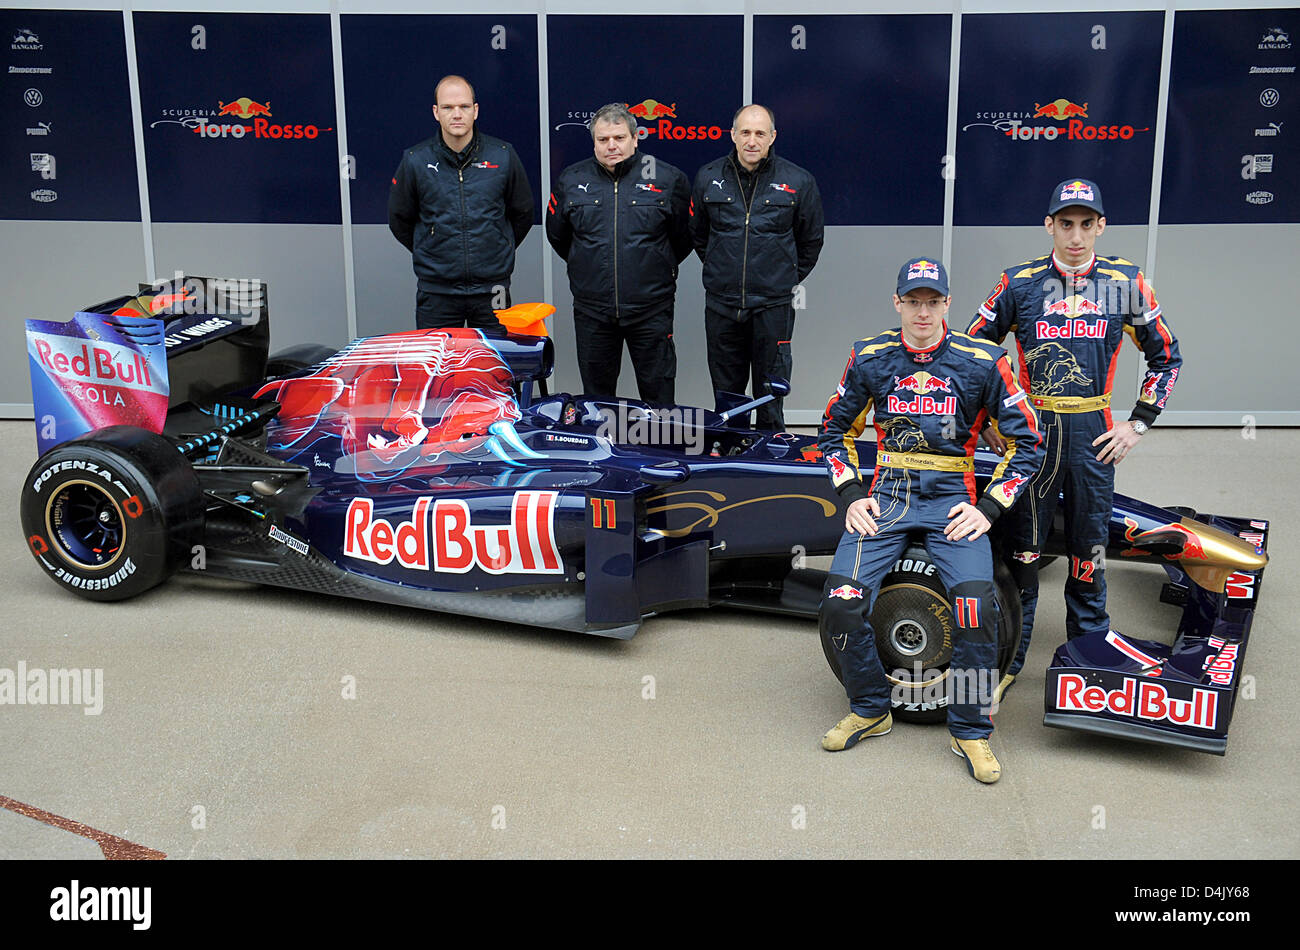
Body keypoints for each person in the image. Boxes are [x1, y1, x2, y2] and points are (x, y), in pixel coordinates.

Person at [819, 258, 1043, 784]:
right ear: (897, 303)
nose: (923, 311)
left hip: (953, 500)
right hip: (887, 496)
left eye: (933, 301)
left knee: (975, 610)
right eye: (913, 301)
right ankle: (871, 708)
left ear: (947, 304)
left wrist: (988, 508)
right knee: (840, 604)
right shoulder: (869, 356)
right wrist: (851, 492)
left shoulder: (983, 360)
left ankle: (969, 731)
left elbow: (1027, 444)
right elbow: (833, 432)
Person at [966, 178, 1183, 703]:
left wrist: (1138, 423)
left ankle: (1089, 654)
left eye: (1087, 224)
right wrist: (989, 422)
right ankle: (1011, 655)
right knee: (1025, 549)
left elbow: (1167, 357)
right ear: (1050, 226)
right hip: (1032, 432)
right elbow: (970, 355)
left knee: (1089, 548)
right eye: (1066, 224)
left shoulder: (1126, 282)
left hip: (1092, 434)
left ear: (1101, 226)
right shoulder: (1017, 283)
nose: (1077, 236)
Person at [545, 103, 692, 404]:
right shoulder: (571, 180)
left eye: (619, 138)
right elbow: (559, 236)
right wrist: (588, 266)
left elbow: (684, 237)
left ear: (635, 138)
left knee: (659, 400)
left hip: (651, 310)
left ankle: (661, 451)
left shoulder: (667, 179)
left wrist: (655, 266)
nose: (611, 145)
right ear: (594, 142)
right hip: (592, 311)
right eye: (603, 139)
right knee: (597, 403)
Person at [691, 104, 824, 429]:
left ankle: (770, 464)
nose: (752, 140)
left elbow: (811, 241)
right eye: (746, 132)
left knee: (770, 396)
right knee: (728, 397)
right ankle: (733, 462)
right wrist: (726, 272)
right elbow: (698, 235)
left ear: (772, 137)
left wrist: (782, 279)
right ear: (734, 135)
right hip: (722, 306)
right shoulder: (709, 178)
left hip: (772, 309)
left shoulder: (798, 181)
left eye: (760, 133)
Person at [388, 75, 534, 331]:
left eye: (464, 107)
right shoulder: (415, 160)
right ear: (436, 112)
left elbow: (522, 213)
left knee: (495, 368)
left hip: (493, 289)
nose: (457, 114)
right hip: (437, 292)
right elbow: (400, 219)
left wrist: (499, 246)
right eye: (447, 107)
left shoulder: (502, 155)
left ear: (475, 111)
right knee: (438, 370)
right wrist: (431, 248)